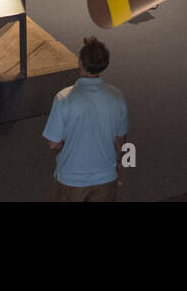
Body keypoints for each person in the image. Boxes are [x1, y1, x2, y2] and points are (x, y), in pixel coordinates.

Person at [42, 36, 129, 201]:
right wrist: (118, 162)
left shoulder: (63, 98)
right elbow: (120, 139)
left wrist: (67, 146)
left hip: (71, 178)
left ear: (80, 62)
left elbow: (53, 142)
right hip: (106, 176)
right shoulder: (117, 97)